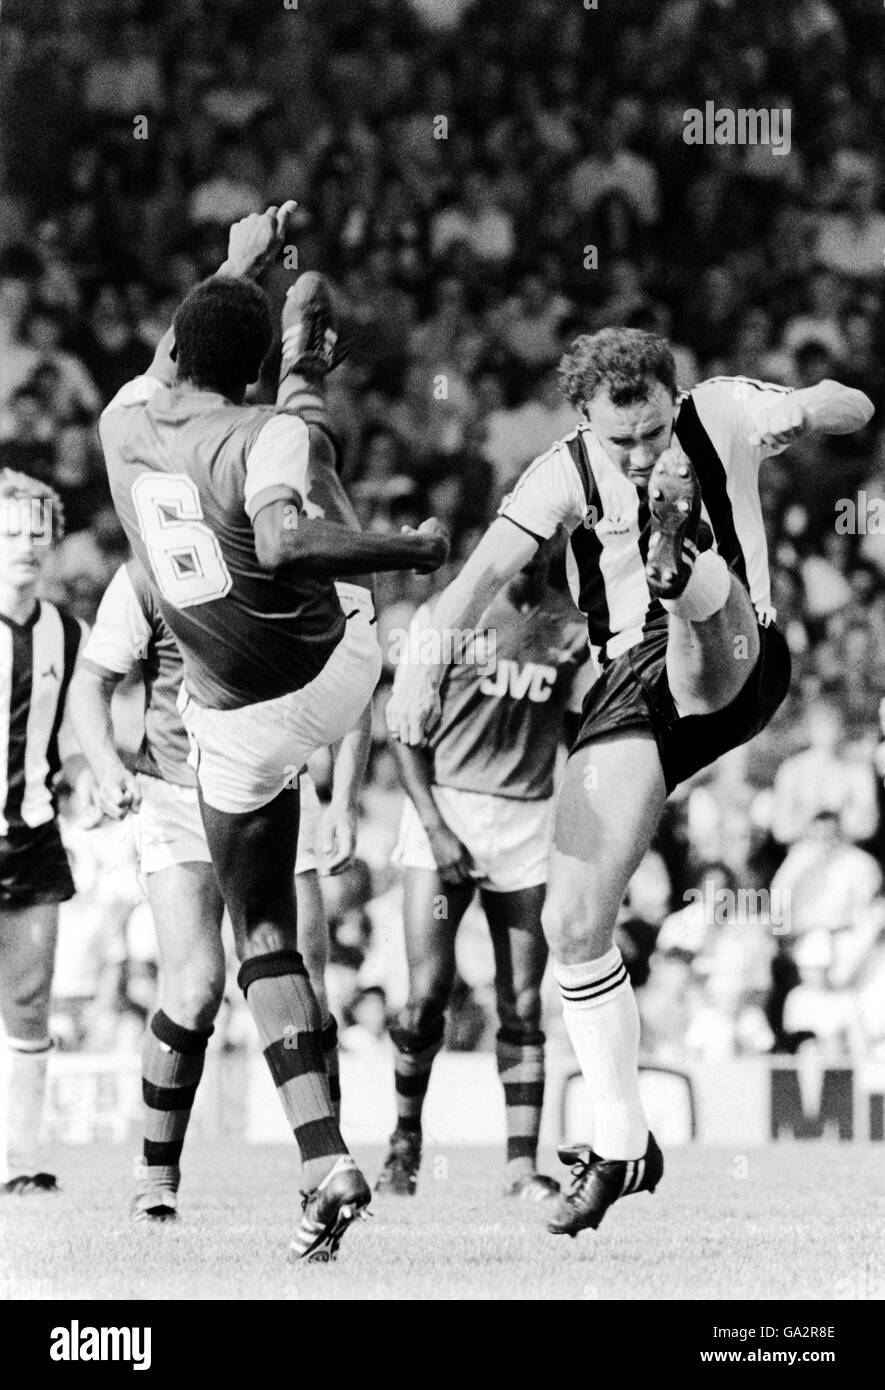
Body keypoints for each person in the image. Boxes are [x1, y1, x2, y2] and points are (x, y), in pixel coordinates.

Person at [387, 326, 873, 1238]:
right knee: (573, 926)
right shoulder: (554, 475)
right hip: (627, 687)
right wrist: (421, 659)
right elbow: (478, 576)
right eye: (625, 441)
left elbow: (856, 407)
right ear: (581, 418)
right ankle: (621, 1147)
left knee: (698, 622)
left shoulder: (723, 409)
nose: (645, 448)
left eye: (655, 430)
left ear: (670, 396)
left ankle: (682, 564)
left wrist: (806, 412)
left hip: (737, 650)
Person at [98, 205, 449, 1261]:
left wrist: (236, 261)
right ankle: (324, 1160)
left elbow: (173, 358)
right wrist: (409, 546)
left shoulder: (121, 424)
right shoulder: (266, 435)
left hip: (233, 721)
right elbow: (292, 538)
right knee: (309, 453)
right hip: (336, 672)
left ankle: (307, 1154)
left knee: (258, 936)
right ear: (248, 373)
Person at [68, 557, 369, 1221]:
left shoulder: (293, 562)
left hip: (272, 787)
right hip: (174, 796)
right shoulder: (148, 570)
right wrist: (104, 762)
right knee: (196, 988)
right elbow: (90, 684)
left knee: (307, 986)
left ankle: (322, 1171)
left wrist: (343, 798)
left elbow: (355, 690)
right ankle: (156, 1177)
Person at [377, 540, 589, 1201]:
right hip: (448, 807)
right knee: (425, 996)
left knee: (524, 1001)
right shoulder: (450, 612)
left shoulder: (574, 629)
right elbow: (403, 728)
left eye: (543, 541)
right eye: (520, 541)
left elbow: (579, 737)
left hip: (526, 822)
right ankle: (403, 1144)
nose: (531, 553)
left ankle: (520, 1168)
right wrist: (436, 827)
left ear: (557, 544)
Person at [0, 470, 85, 1195]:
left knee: (29, 998)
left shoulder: (67, 630)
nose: (24, 546)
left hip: (29, 836)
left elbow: (78, 734)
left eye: (35, 532)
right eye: (8, 534)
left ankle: (20, 1163)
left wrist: (99, 776)